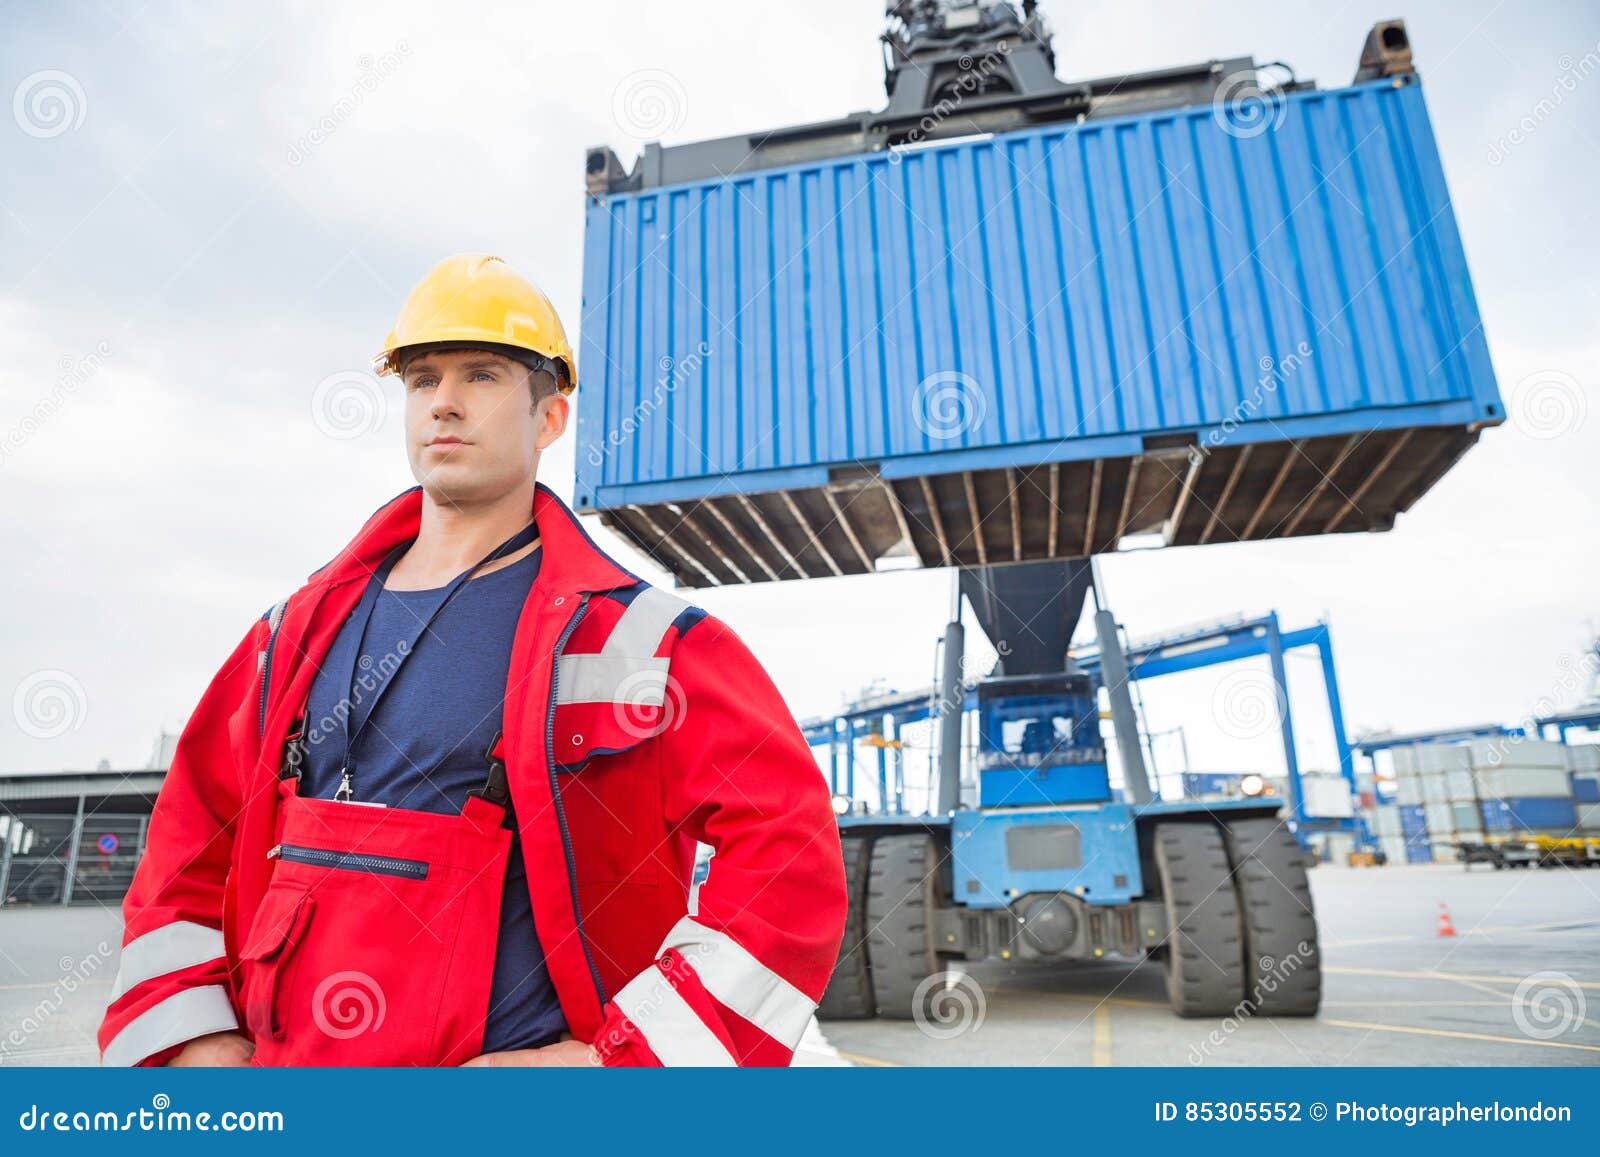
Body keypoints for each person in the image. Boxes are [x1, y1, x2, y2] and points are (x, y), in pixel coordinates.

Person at [98, 254, 847, 1067]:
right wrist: (195, 1035)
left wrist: (621, 1063)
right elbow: (191, 837)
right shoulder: (295, 631)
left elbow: (791, 854)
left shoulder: (640, 640)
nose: (443, 403)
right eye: (422, 379)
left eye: (482, 375)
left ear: (550, 418)